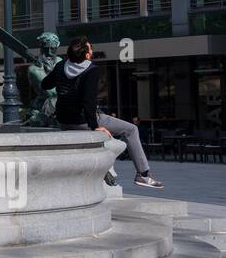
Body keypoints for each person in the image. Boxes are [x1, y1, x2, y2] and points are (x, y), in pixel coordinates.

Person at [42, 35, 165, 190]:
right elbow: (89, 102)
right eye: (90, 47)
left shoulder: (61, 66)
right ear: (87, 55)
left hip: (63, 121)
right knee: (131, 129)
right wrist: (94, 126)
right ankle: (143, 174)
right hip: (83, 121)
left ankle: (105, 170)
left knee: (111, 136)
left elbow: (45, 84)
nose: (92, 49)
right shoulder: (91, 70)